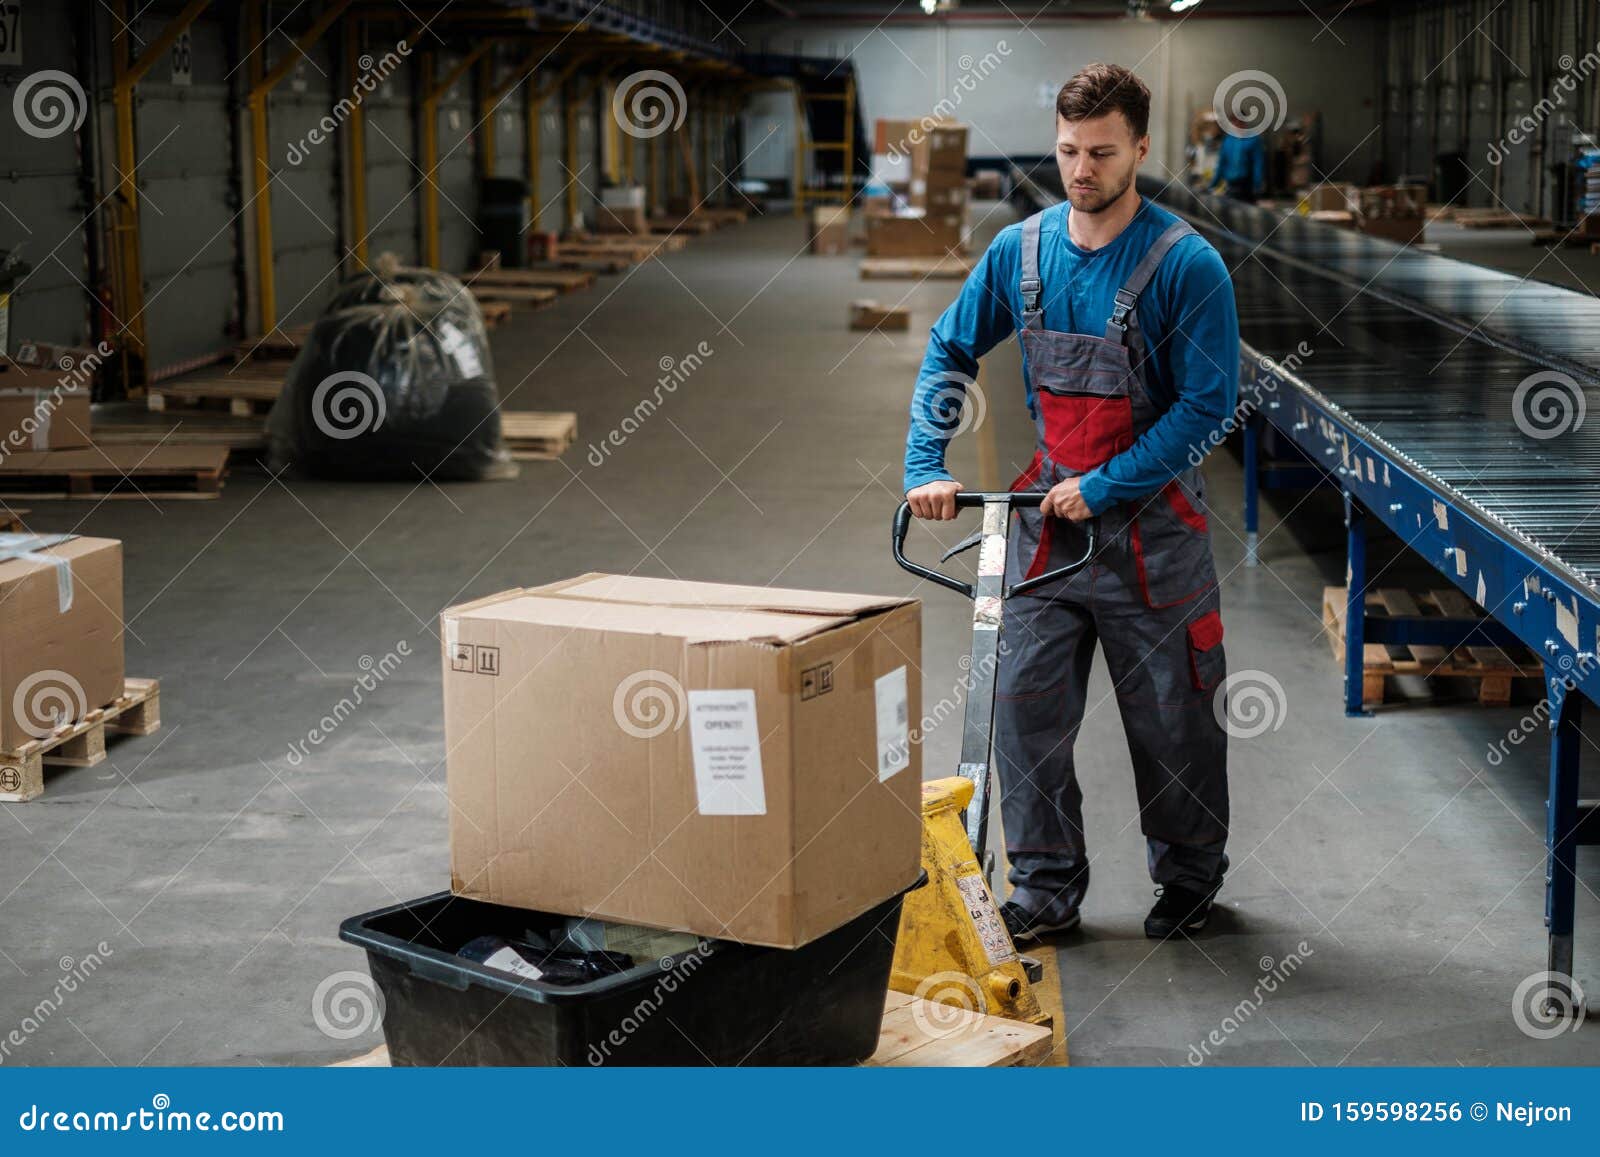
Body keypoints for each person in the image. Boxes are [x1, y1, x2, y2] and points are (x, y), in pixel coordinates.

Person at [902, 62, 1238, 943]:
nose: (1079, 170)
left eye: (1099, 152)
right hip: (1047, 531)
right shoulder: (1020, 252)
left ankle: (1190, 879)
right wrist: (923, 462)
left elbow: (1208, 407)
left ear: (1138, 149)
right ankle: (1045, 891)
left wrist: (1107, 485)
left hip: (1156, 535)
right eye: (1066, 151)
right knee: (1024, 712)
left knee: (1175, 720)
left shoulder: (1188, 266)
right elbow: (948, 351)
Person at [1211, 114, 1267, 202]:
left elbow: (1258, 163)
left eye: (1240, 122)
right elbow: (1221, 164)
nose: (1237, 125)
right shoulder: (1227, 141)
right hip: (1231, 185)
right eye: (1234, 122)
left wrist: (1258, 184)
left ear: (1244, 123)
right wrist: (1213, 184)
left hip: (1247, 186)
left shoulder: (1254, 140)